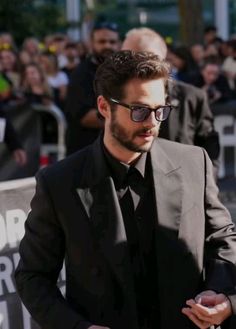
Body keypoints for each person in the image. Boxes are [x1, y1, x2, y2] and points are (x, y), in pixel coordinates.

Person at [15, 50, 236, 329]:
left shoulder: (193, 163)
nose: (152, 123)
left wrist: (221, 294)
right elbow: (32, 276)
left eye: (161, 110)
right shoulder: (59, 182)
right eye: (140, 110)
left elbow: (222, 237)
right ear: (105, 107)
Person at [122, 28, 220, 172]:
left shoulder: (192, 97)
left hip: (183, 186)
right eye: (125, 59)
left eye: (143, 59)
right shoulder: (115, 99)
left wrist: (206, 185)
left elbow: (209, 147)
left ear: (163, 61)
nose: (135, 67)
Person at [65, 21, 120, 154]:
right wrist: (125, 119)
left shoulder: (121, 72)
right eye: (102, 41)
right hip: (85, 151)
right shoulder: (81, 74)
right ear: (91, 43)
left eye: (112, 42)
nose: (107, 45)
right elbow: (85, 117)